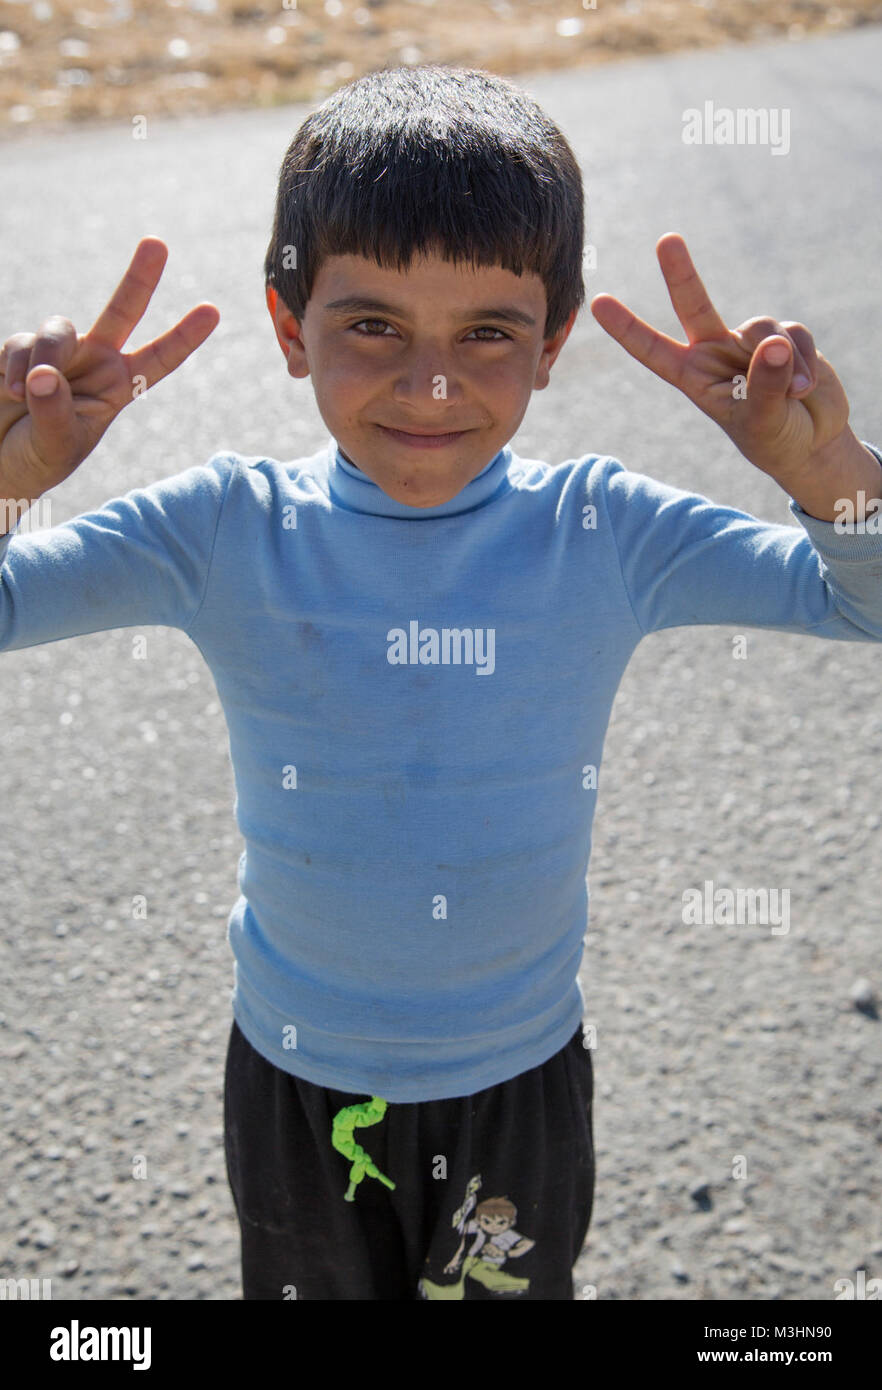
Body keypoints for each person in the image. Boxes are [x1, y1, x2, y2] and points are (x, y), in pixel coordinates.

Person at [1, 64, 881, 1301]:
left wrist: (825, 464)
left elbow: (860, 595)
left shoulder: (603, 531)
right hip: (300, 1080)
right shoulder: (221, 530)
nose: (430, 383)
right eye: (372, 326)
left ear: (554, 341)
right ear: (286, 326)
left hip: (516, 1082)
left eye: (487, 334)